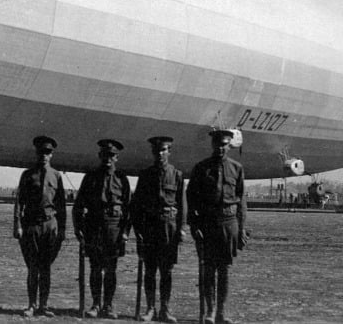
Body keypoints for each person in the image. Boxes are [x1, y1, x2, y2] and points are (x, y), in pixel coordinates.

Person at [186, 130, 247, 324]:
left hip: (229, 224)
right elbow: (191, 199)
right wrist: (194, 226)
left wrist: (242, 228)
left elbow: (241, 201)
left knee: (224, 269)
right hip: (208, 223)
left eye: (225, 144)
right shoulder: (201, 168)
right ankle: (210, 311)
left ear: (230, 146)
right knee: (208, 269)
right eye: (218, 144)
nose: (221, 148)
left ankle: (221, 312)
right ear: (212, 145)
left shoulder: (237, 169)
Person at [73, 139, 131, 319]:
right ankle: (96, 304)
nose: (108, 158)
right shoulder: (90, 178)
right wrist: (78, 228)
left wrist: (125, 232)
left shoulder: (122, 179)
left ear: (117, 158)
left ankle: (109, 305)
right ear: (100, 156)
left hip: (114, 227)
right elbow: (78, 206)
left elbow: (129, 208)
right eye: (105, 155)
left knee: (111, 268)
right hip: (94, 227)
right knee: (96, 268)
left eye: (112, 155)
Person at [131, 136, 185, 322]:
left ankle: (165, 309)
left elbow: (182, 206)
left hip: (169, 227)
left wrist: (180, 230)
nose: (160, 154)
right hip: (150, 227)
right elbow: (136, 205)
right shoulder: (145, 175)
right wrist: (138, 231)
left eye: (163, 150)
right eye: (156, 151)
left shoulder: (177, 175)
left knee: (167, 271)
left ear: (169, 152)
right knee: (150, 270)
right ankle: (150, 308)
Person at [13, 135, 66, 318]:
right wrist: (17, 225)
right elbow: (19, 201)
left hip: (50, 226)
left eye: (48, 152)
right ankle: (31, 305)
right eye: (41, 152)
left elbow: (61, 205)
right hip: (31, 225)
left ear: (52, 155)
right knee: (33, 268)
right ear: (36, 153)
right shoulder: (28, 175)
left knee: (45, 268)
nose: (44, 155)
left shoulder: (57, 176)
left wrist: (63, 230)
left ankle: (43, 305)